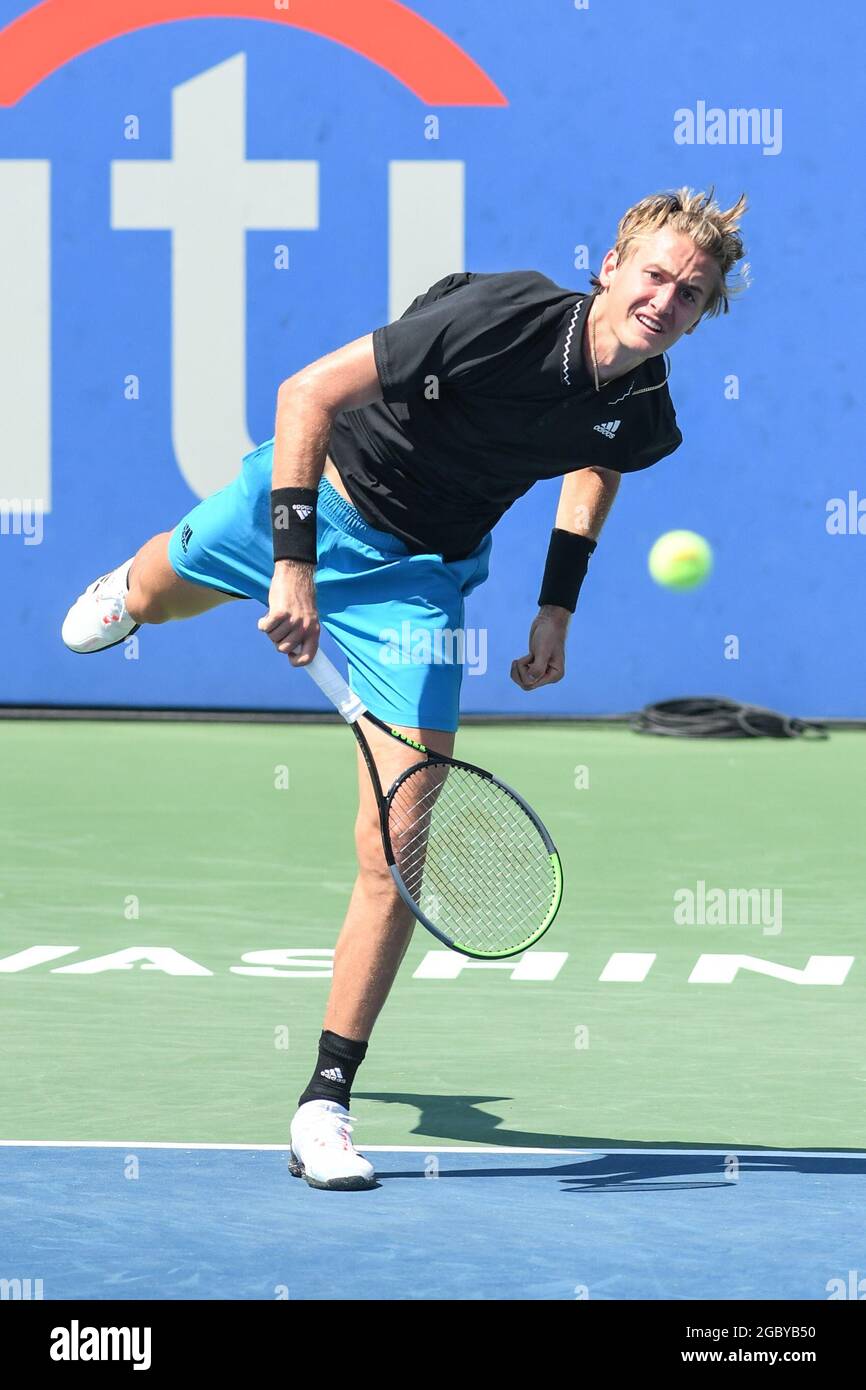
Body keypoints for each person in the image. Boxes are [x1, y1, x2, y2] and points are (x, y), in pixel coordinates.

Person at [62, 187, 749, 1190]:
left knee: (399, 838)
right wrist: (291, 565)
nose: (663, 300)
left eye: (687, 294)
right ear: (610, 265)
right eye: (653, 275)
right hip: (308, 500)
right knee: (159, 594)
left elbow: (598, 463)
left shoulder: (642, 404)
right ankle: (128, 585)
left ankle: (323, 1102)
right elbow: (306, 392)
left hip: (415, 587)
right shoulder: (501, 316)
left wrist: (555, 603)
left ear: (701, 313)